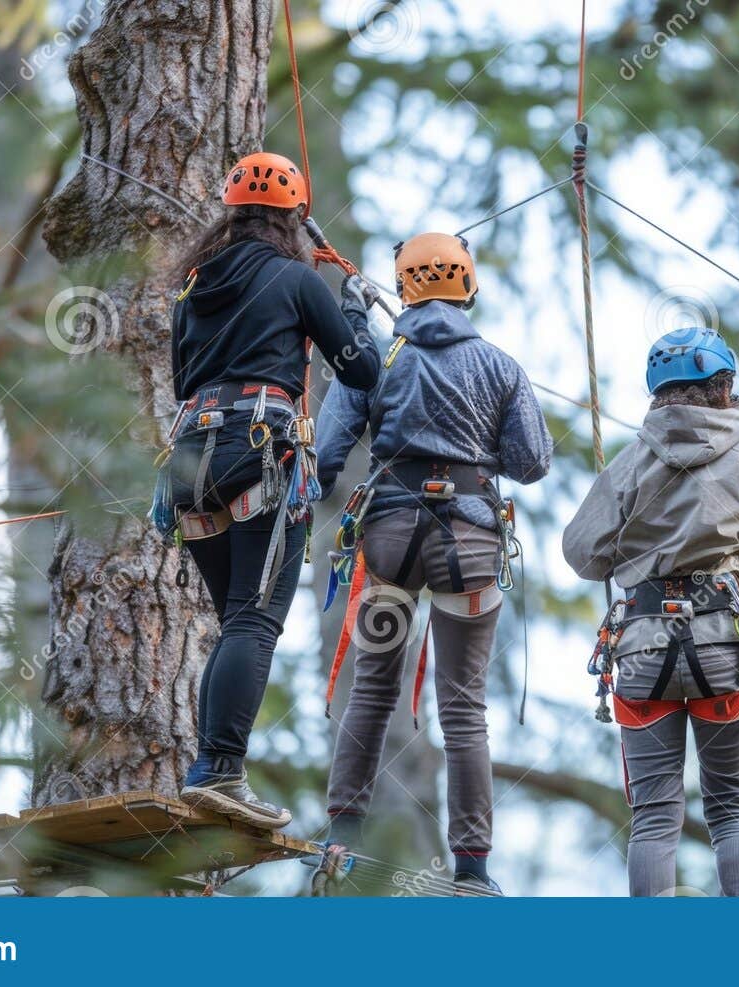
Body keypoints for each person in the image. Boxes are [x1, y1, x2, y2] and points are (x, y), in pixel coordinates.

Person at [316, 232, 553, 895]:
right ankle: (472, 867)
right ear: (468, 285)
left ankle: (342, 835)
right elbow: (533, 461)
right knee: (464, 708)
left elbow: (329, 451)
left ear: (404, 288)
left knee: (372, 689)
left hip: (391, 541)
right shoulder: (499, 366)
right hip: (469, 542)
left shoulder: (379, 358)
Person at [163, 152, 380, 828]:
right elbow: (362, 371)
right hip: (259, 452)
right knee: (252, 622)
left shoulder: (194, 284)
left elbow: (182, 379)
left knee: (238, 622)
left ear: (231, 213)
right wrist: (355, 312)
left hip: (190, 461)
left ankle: (214, 767)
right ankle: (217, 769)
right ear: (293, 218)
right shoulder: (296, 278)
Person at [562, 327, 739, 897]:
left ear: (659, 393)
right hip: (723, 646)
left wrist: (636, 546)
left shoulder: (630, 463)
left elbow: (581, 554)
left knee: (653, 816)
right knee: (732, 807)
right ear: (723, 387)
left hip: (643, 649)